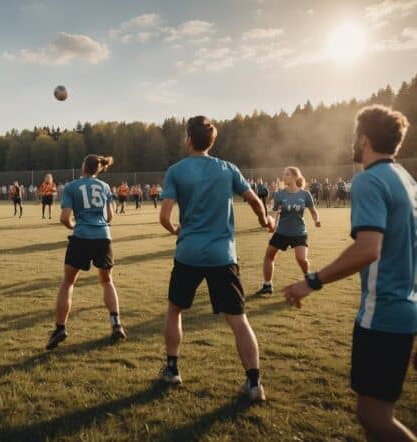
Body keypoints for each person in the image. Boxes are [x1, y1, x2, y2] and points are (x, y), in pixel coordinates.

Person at [284, 105, 415, 440]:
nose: (352, 141)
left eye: (355, 135)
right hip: (407, 309)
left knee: (374, 416)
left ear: (365, 139)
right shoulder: (406, 180)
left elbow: (368, 249)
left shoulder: (369, 181)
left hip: (382, 313)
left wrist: (310, 281)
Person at [158, 116, 275, 402]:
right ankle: (254, 383)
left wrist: (175, 229)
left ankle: (172, 369)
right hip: (223, 255)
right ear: (212, 141)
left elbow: (165, 216)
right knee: (238, 319)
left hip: (188, 253)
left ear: (188, 140)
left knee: (175, 310)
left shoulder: (176, 170)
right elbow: (254, 200)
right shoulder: (228, 168)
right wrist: (265, 220)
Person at [46, 155, 126, 349]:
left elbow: (65, 218)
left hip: (81, 236)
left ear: (83, 166)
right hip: (102, 236)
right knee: (107, 281)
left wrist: (74, 224)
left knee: (68, 282)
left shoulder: (72, 187)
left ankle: (60, 328)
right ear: (98, 169)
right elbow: (110, 215)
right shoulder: (105, 187)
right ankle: (116, 323)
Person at [254, 167, 321, 295]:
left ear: (296, 177)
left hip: (299, 233)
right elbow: (274, 213)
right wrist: (271, 222)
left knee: (301, 259)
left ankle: (307, 276)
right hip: (281, 232)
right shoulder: (279, 194)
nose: (284, 177)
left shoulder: (305, 194)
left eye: (287, 175)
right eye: (283, 174)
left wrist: (316, 220)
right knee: (269, 256)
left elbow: (313, 211)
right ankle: (267, 285)